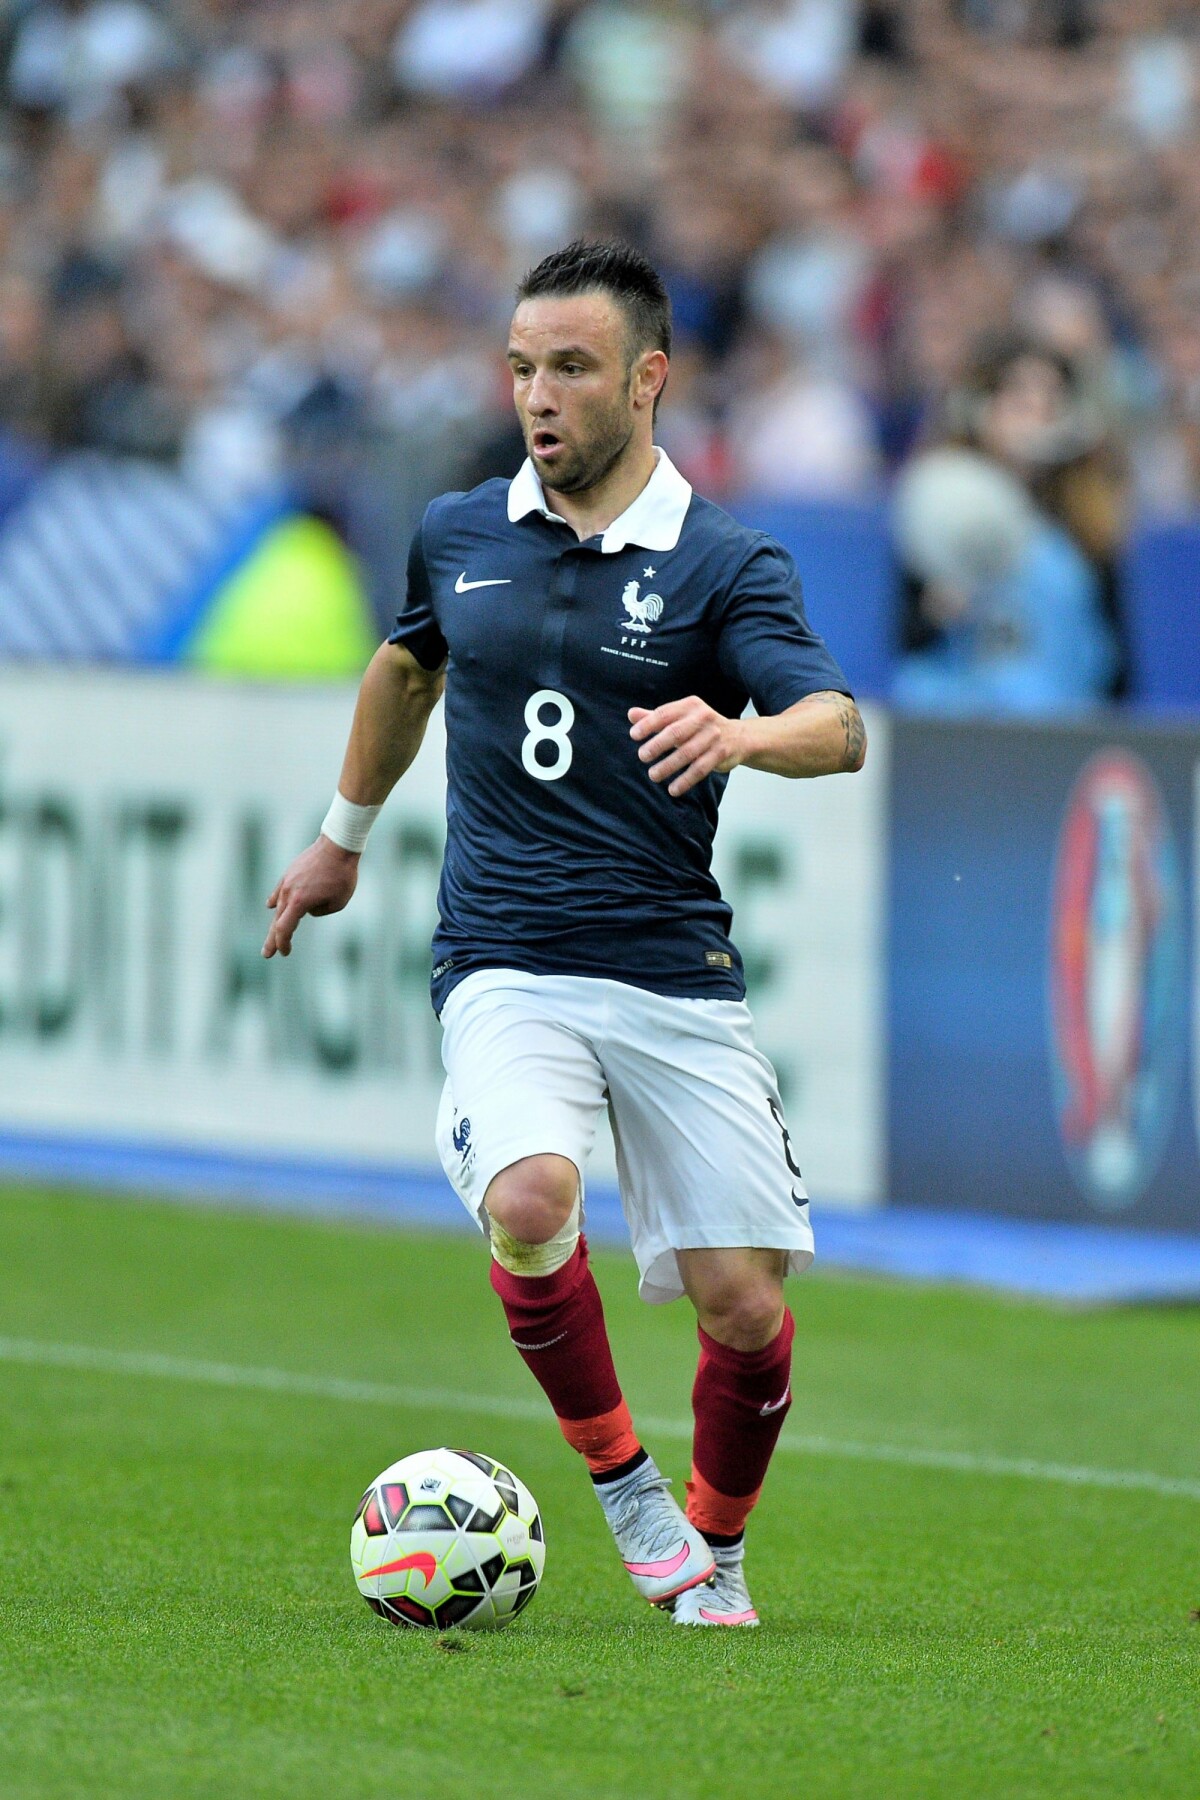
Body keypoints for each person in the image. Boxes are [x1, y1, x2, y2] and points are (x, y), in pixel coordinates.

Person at [263, 240, 865, 1627]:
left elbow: (841, 726)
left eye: (574, 367)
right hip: (505, 957)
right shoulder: (460, 533)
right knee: (531, 1200)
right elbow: (406, 663)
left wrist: (744, 732)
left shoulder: (723, 563)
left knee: (744, 1311)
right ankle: (621, 1484)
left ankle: (713, 1550)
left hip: (673, 974)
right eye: (524, 366)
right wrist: (341, 840)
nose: (540, 394)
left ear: (649, 379)